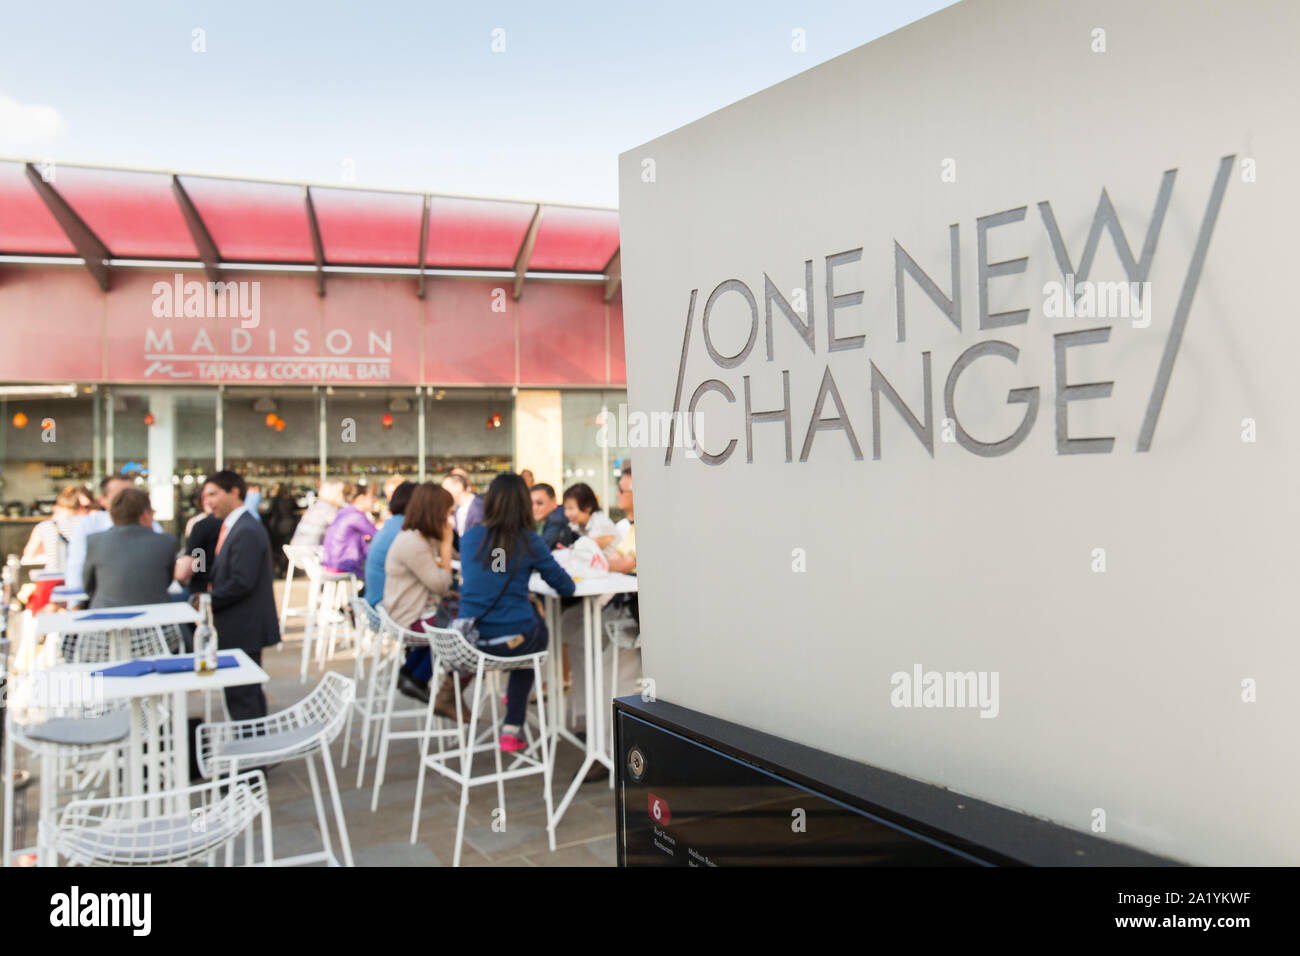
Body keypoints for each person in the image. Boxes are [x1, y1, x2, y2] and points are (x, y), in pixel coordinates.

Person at [459, 473, 575, 752]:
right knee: (536, 633)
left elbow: (492, 574)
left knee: (526, 624)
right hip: (508, 645)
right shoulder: (529, 541)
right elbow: (566, 587)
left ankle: (514, 701)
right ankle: (512, 723)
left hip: (469, 642)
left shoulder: (471, 537)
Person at [201, 470, 281, 720]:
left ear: (235, 492)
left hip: (243, 625)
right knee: (244, 693)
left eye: (214, 494)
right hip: (239, 623)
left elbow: (241, 582)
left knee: (243, 696)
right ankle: (256, 751)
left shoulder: (245, 528)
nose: (208, 501)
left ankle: (253, 755)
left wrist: (205, 601)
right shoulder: (235, 526)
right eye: (205, 496)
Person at [383, 483, 457, 711]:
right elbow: (442, 584)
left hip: (406, 611)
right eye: (448, 512)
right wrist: (446, 544)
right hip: (409, 618)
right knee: (460, 627)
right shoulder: (413, 543)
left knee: (455, 612)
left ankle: (411, 672)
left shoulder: (413, 538)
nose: (450, 518)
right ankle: (425, 681)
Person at [64, 474, 163, 594]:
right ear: (102, 500)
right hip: (100, 598)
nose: (127, 500)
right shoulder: (88, 524)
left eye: (130, 494)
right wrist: (75, 604)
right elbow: (76, 565)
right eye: (119, 495)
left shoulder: (150, 525)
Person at [83, 488, 178, 608]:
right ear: (145, 514)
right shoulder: (167, 542)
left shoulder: (95, 541)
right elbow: (166, 582)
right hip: (154, 616)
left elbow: (88, 586)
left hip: (106, 616)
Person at [21, 485, 81, 612]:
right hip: (79, 581)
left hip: (51, 580)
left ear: (57, 507)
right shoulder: (86, 524)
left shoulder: (45, 526)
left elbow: (28, 554)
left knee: (41, 617)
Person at [365, 480, 414, 608]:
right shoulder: (404, 529)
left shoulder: (392, 524)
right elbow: (438, 583)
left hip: (374, 602)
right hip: (385, 608)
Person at [321, 483, 377, 581]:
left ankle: (363, 593)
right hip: (344, 563)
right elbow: (377, 535)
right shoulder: (356, 516)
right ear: (361, 498)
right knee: (379, 565)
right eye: (370, 497)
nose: (373, 500)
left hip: (331, 562)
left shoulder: (344, 512)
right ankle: (369, 594)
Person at [561, 482, 618, 556]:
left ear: (588, 507)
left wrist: (568, 551)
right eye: (565, 508)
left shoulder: (601, 523)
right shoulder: (576, 525)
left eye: (571, 508)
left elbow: (587, 550)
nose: (567, 513)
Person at [290, 480, 344, 548]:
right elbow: (342, 529)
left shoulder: (317, 506)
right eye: (341, 493)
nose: (343, 497)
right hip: (311, 552)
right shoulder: (329, 509)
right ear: (334, 494)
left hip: (296, 549)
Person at [266, 483, 298, 577]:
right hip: (289, 527)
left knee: (277, 550)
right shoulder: (290, 499)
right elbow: (296, 508)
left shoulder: (274, 500)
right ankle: (286, 570)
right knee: (286, 549)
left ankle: (279, 571)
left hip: (277, 527)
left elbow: (269, 511)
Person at [442, 473, 484, 539]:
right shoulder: (454, 509)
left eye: (446, 489)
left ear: (459, 487)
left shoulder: (479, 508)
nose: (443, 493)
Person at [530, 483, 569, 550]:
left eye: (539, 503)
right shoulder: (541, 520)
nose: (534, 508)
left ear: (554, 502)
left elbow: (538, 550)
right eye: (530, 503)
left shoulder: (556, 518)